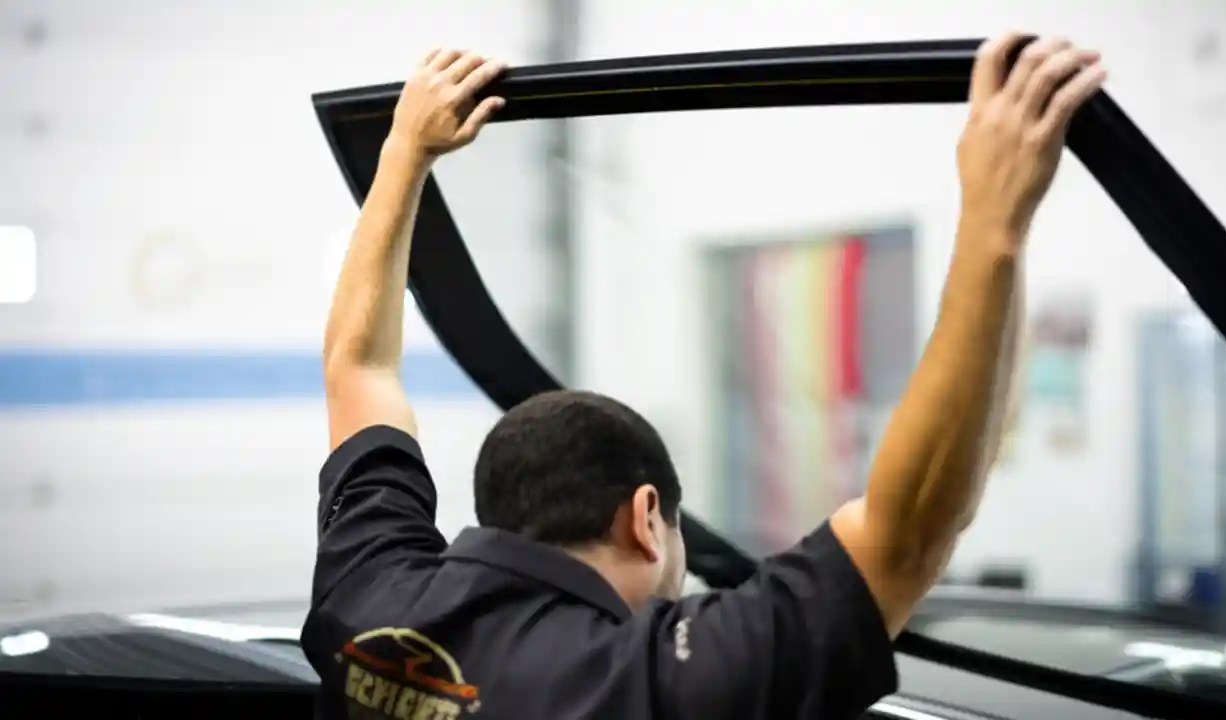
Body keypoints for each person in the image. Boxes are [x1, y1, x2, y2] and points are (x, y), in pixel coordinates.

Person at [303, 35, 1108, 719]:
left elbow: (358, 365)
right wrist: (994, 227)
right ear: (646, 518)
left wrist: (404, 153)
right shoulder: (649, 685)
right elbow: (910, 530)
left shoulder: (367, 599)